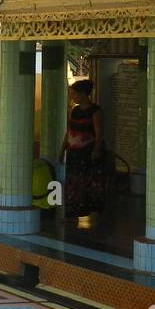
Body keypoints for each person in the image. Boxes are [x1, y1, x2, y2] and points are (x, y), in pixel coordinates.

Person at [60, 79, 106, 217]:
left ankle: (92, 211)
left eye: (74, 94)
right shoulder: (74, 111)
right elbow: (68, 132)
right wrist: (62, 149)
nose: (72, 97)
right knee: (73, 182)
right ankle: (73, 212)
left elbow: (99, 134)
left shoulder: (95, 112)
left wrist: (96, 150)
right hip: (74, 153)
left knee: (89, 182)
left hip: (88, 153)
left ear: (83, 94)